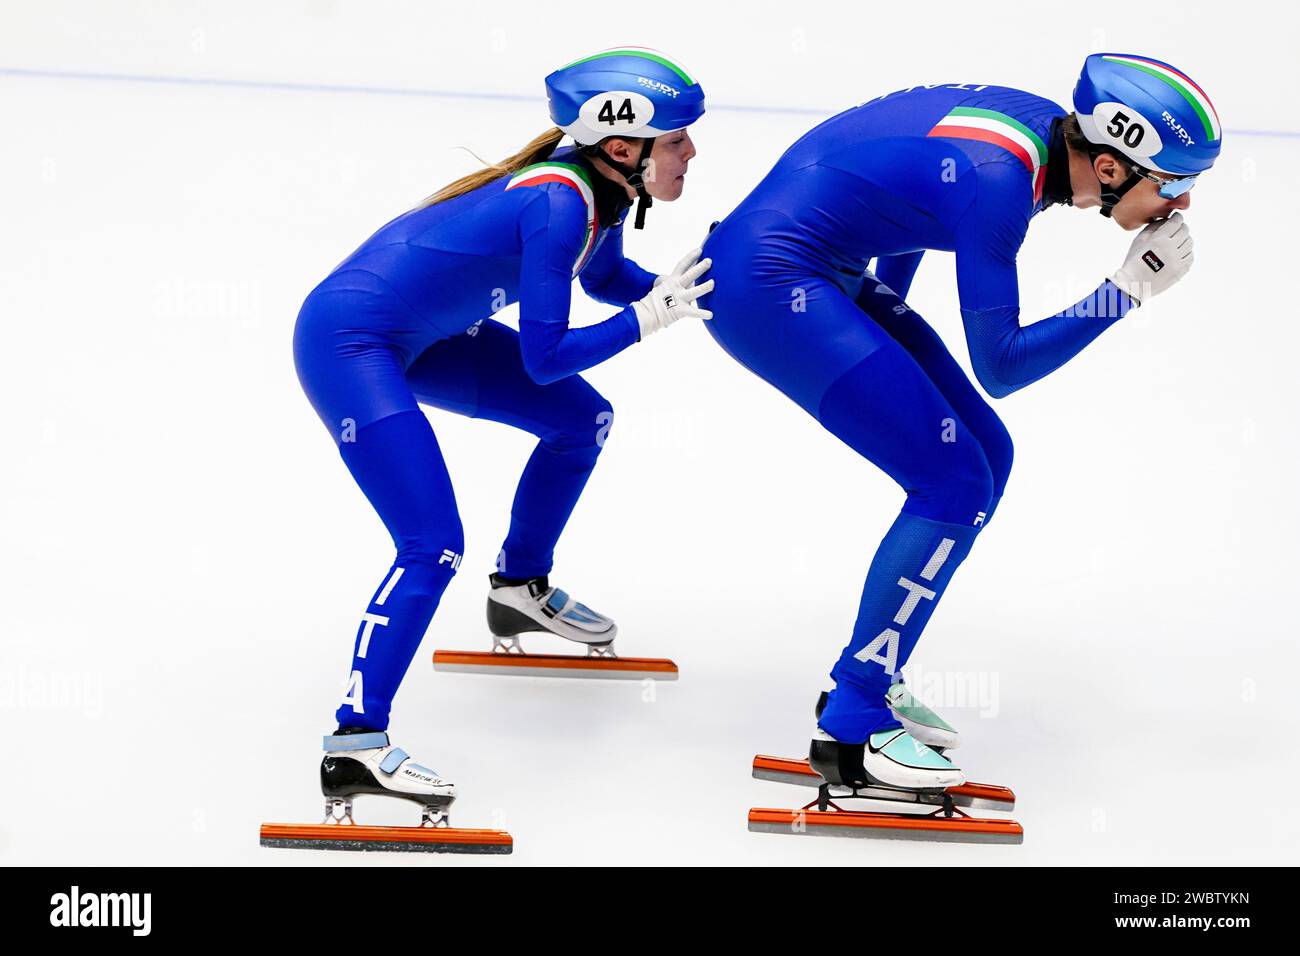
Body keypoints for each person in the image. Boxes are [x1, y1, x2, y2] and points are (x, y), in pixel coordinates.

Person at [700, 53, 1217, 790]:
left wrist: (886, 319)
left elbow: (897, 190)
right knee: (951, 481)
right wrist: (1126, 290)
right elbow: (1002, 367)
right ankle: (851, 724)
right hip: (770, 283)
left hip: (814, 267)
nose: (1184, 204)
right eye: (1177, 184)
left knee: (986, 456)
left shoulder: (1038, 140)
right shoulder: (998, 183)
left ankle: (874, 669)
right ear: (1107, 167)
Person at [291, 47, 712, 820]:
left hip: (425, 333)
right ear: (623, 147)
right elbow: (545, 357)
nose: (692, 151)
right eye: (679, 137)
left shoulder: (597, 189)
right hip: (350, 342)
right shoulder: (558, 205)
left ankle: (520, 589)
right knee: (430, 544)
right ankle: (355, 744)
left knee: (582, 423)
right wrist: (648, 320)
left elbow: (599, 278)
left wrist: (671, 288)